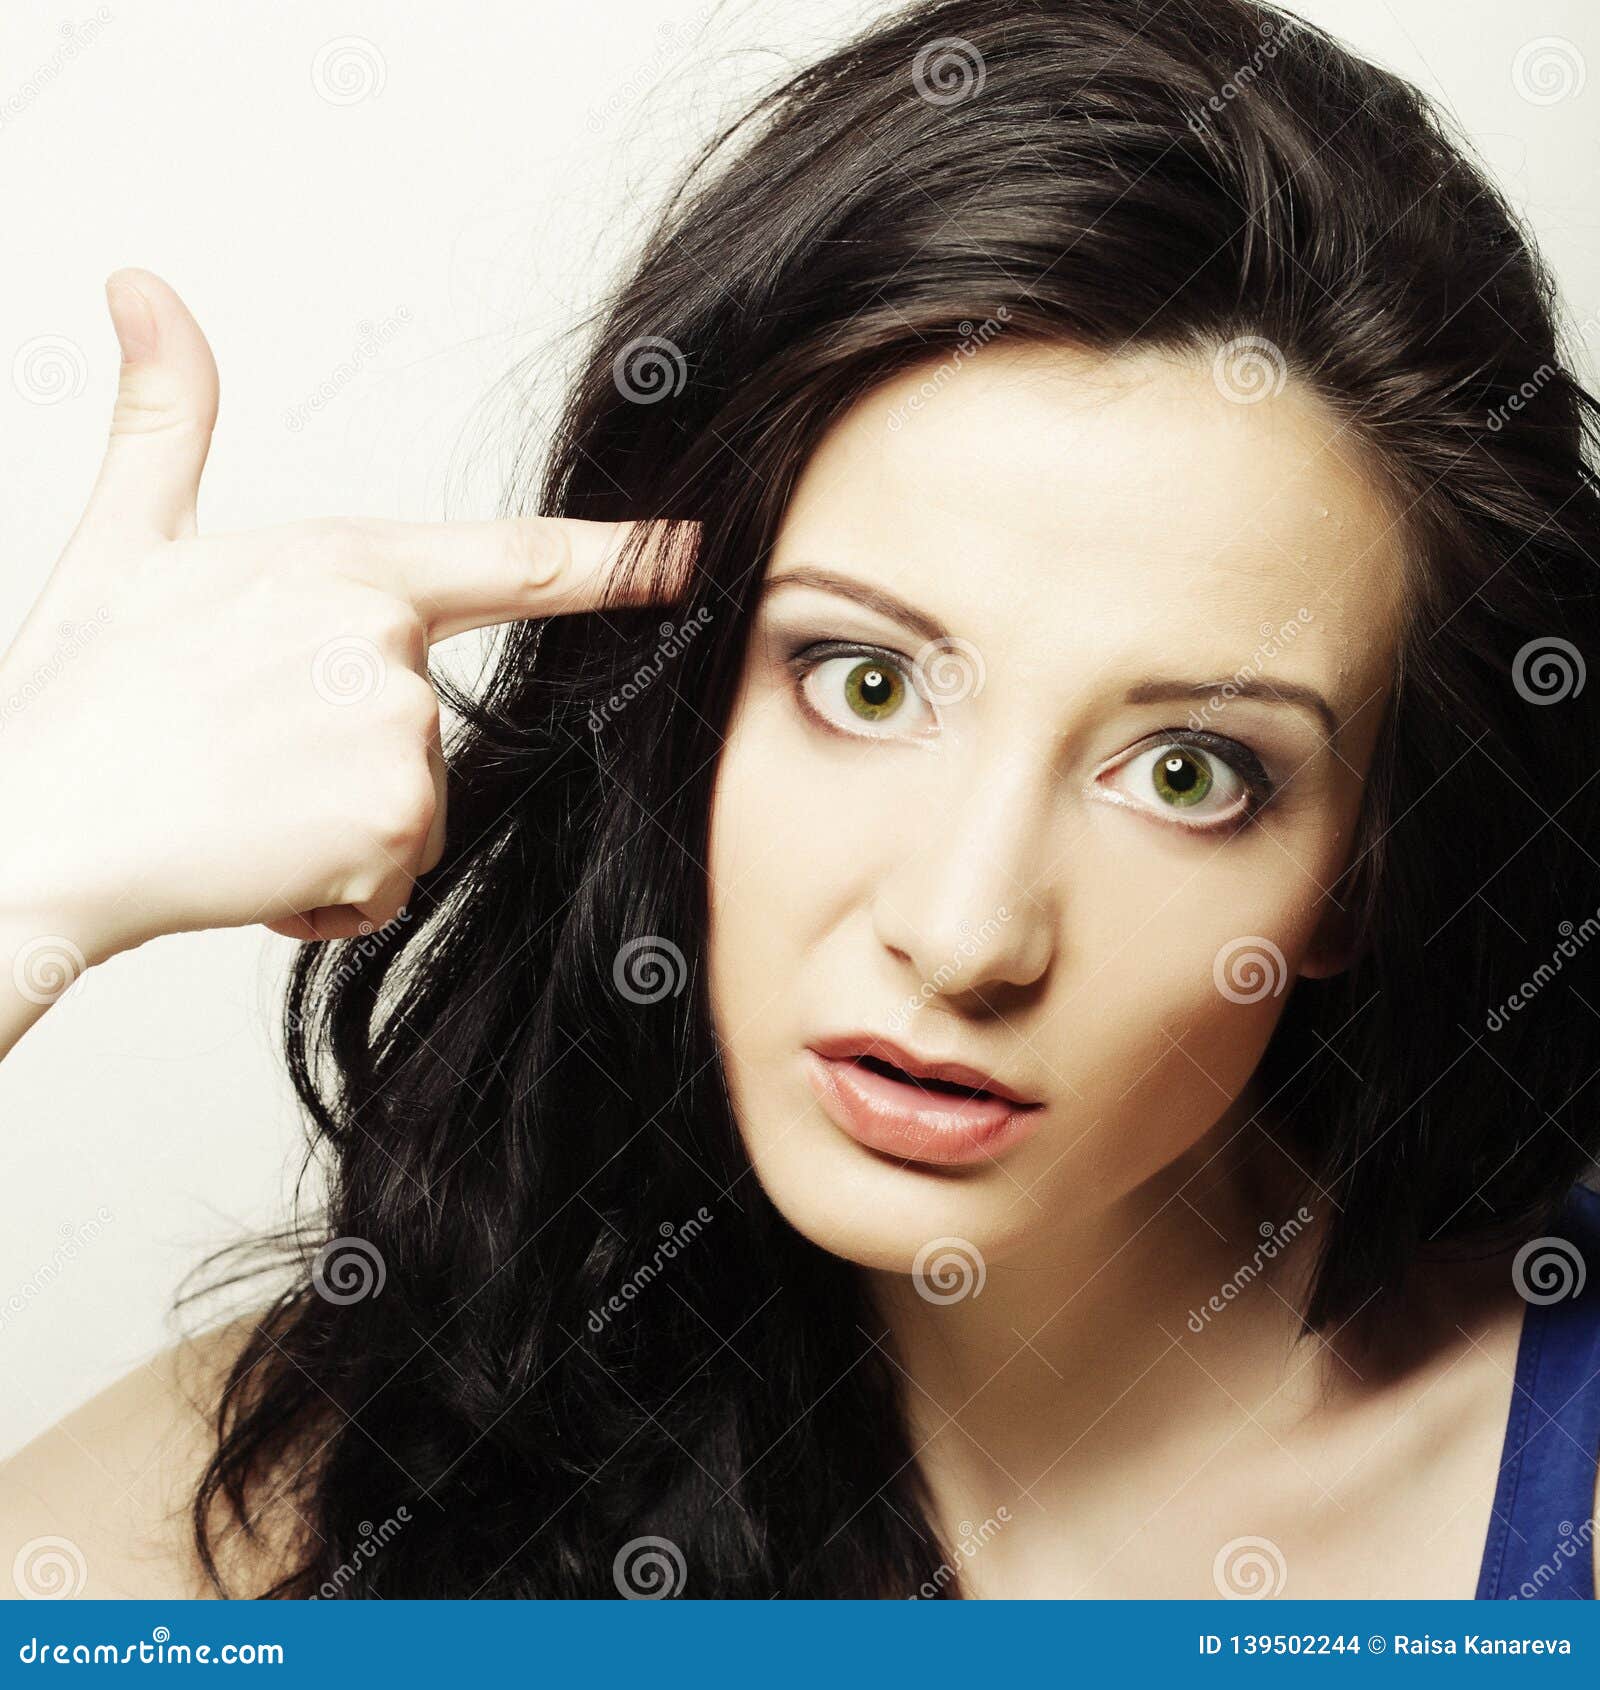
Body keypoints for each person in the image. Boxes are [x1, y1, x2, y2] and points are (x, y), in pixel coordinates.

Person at [4, 0, 1600, 1600]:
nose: (966, 931)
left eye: (1187, 772)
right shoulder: (375, 1467)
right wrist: (32, 869)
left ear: (1362, 870)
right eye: (867, 682)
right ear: (674, 701)